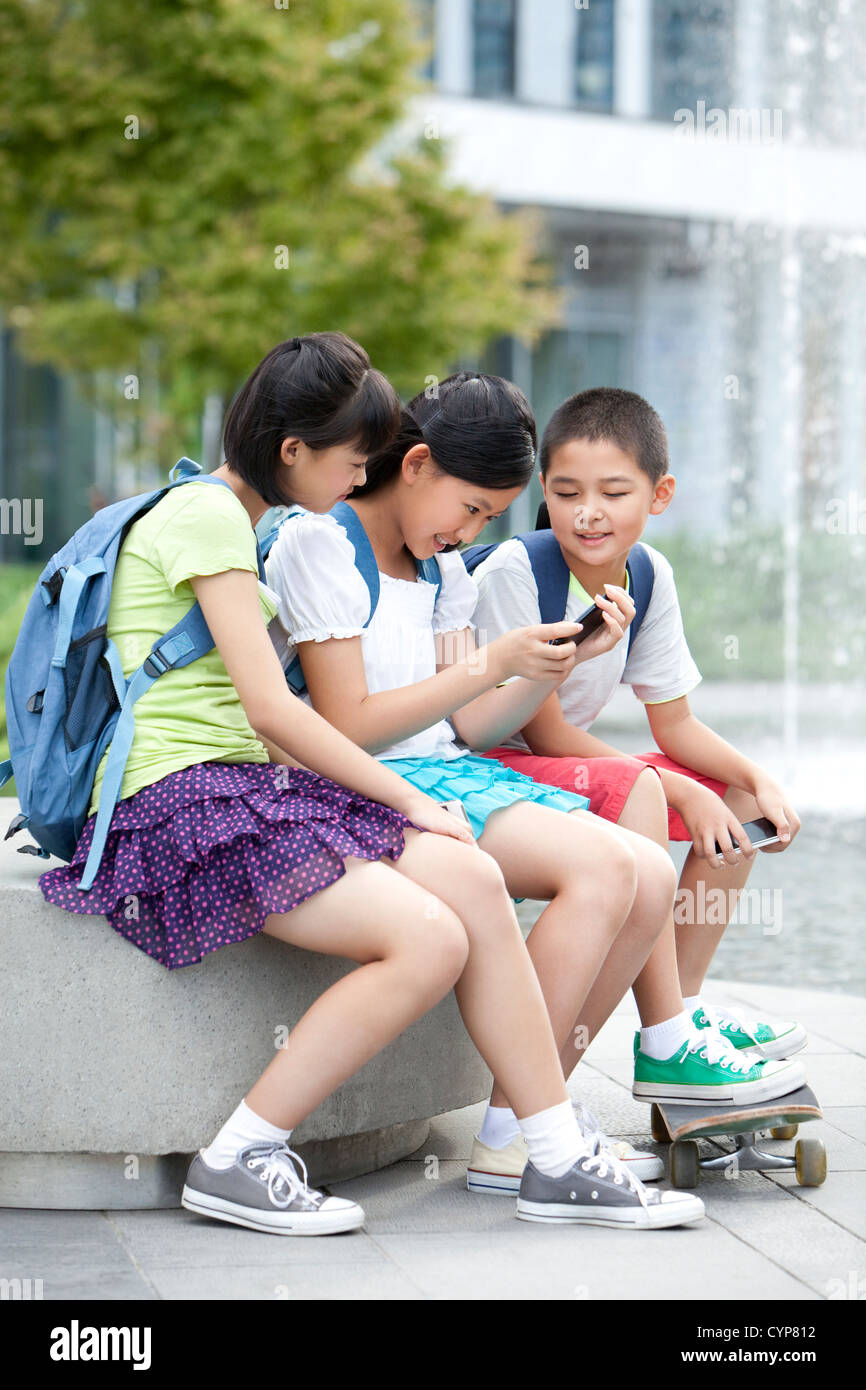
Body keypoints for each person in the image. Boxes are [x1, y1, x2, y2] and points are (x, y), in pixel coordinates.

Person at [36, 337, 704, 1234]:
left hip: (236, 788)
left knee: (468, 882)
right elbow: (277, 713)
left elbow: (290, 720)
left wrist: (494, 710)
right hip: (180, 800)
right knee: (432, 937)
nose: (359, 479)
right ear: (294, 452)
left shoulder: (240, 522)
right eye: (355, 461)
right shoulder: (214, 520)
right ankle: (239, 1155)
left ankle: (548, 1153)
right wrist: (408, 798)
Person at [264, 371, 805, 1201]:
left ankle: (523, 1125)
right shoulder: (321, 546)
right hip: (359, 782)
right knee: (606, 866)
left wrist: (556, 663)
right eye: (473, 508)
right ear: (414, 466)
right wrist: (493, 662)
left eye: (488, 515)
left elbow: (468, 727)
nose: (472, 530)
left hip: (442, 769)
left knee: (646, 868)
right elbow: (345, 724)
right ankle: (533, 1128)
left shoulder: (442, 572)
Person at [471, 386, 806, 1070]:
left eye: (614, 493)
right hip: (493, 768)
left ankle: (683, 1008)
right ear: (545, 490)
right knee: (649, 790)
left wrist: (755, 779)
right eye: (566, 493)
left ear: (660, 494)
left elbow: (675, 723)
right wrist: (676, 792)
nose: (588, 513)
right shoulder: (520, 571)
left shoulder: (648, 574)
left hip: (561, 770)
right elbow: (545, 735)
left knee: (731, 798)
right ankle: (666, 1039)